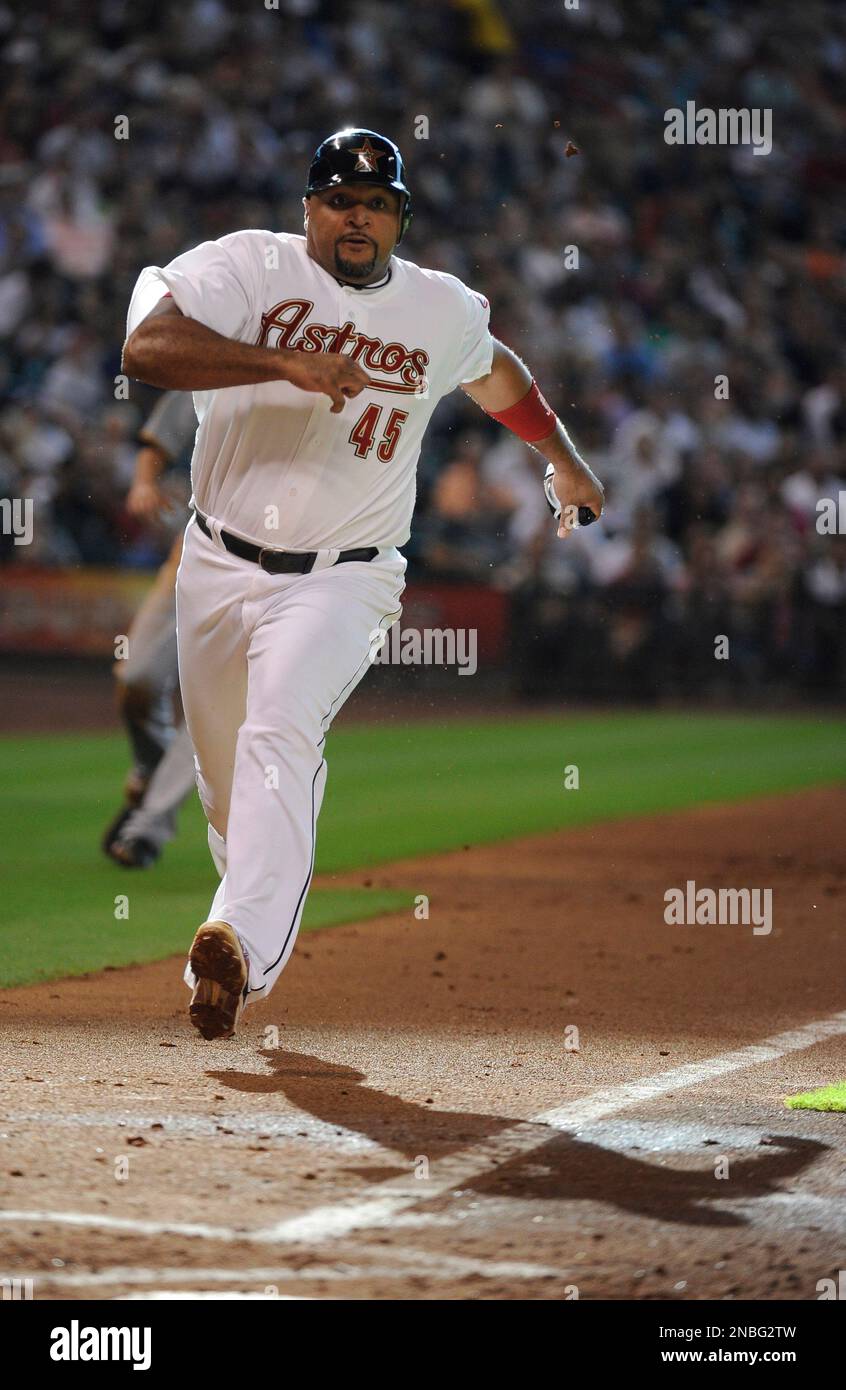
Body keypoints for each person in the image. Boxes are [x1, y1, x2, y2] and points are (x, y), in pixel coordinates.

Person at [122, 128, 604, 1040]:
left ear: (399, 218)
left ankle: (236, 947)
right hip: (218, 564)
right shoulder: (246, 268)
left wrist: (565, 462)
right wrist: (283, 361)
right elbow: (147, 349)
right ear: (308, 207)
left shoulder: (439, 307)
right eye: (340, 199)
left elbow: (499, 373)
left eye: (376, 203)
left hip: (345, 579)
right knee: (228, 788)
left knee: (280, 731)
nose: (357, 216)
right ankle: (238, 908)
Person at [102, 390, 198, 867]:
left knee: (214, 707)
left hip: (278, 579)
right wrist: (145, 481)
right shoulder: (230, 352)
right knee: (136, 679)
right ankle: (150, 771)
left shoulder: (322, 369)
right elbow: (161, 435)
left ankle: (146, 829)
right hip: (193, 560)